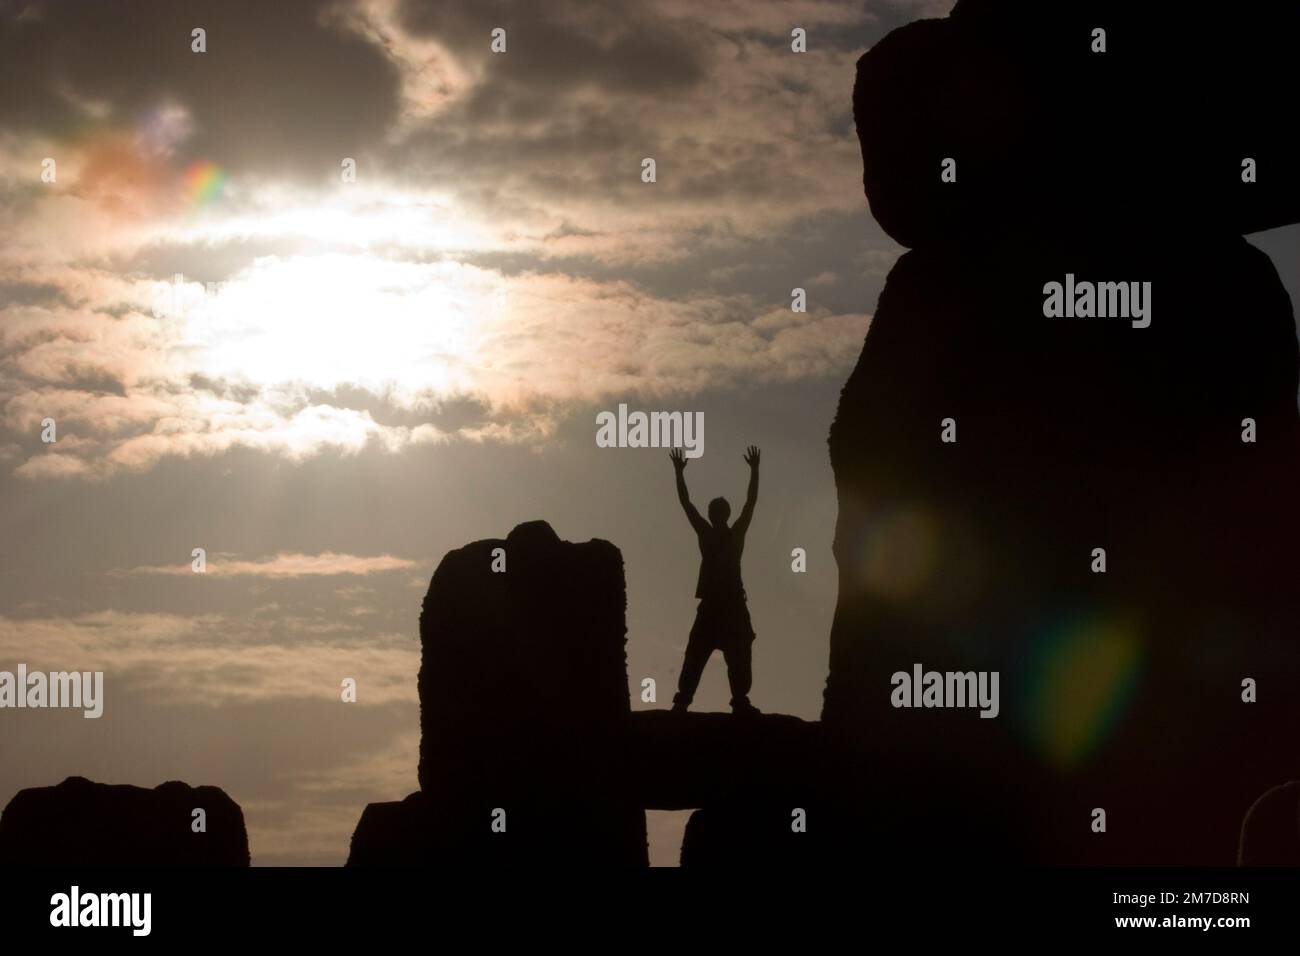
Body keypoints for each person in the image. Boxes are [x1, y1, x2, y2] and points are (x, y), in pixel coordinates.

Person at [668, 444, 761, 715]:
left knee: (734, 652)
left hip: (728, 604)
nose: (714, 514)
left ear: (718, 514)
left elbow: (688, 503)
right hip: (718, 605)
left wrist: (679, 473)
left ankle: (731, 700)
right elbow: (749, 502)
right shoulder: (717, 535)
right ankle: (685, 699)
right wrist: (755, 471)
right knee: (701, 652)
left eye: (715, 510)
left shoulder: (726, 535)